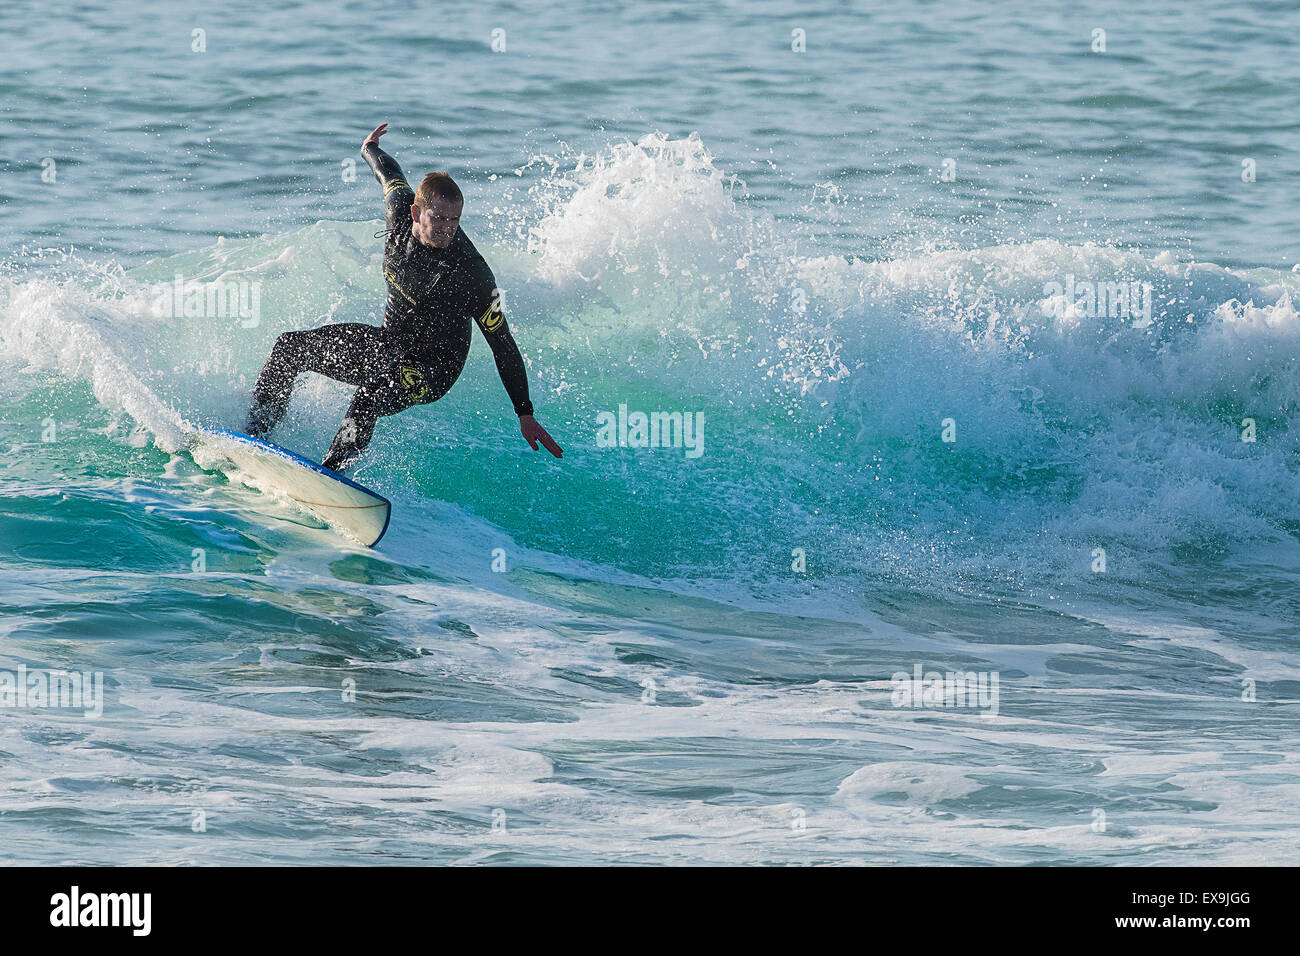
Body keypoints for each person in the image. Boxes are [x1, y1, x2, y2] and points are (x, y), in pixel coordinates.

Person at [245, 123, 562, 471]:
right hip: (390, 343)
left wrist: (524, 412)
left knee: (367, 397)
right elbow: (388, 174)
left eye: (455, 220)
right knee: (289, 348)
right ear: (415, 212)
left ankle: (333, 476)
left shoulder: (473, 275)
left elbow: (502, 343)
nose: (448, 229)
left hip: (434, 367)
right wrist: (369, 148)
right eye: (438, 218)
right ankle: (253, 439)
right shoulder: (399, 210)